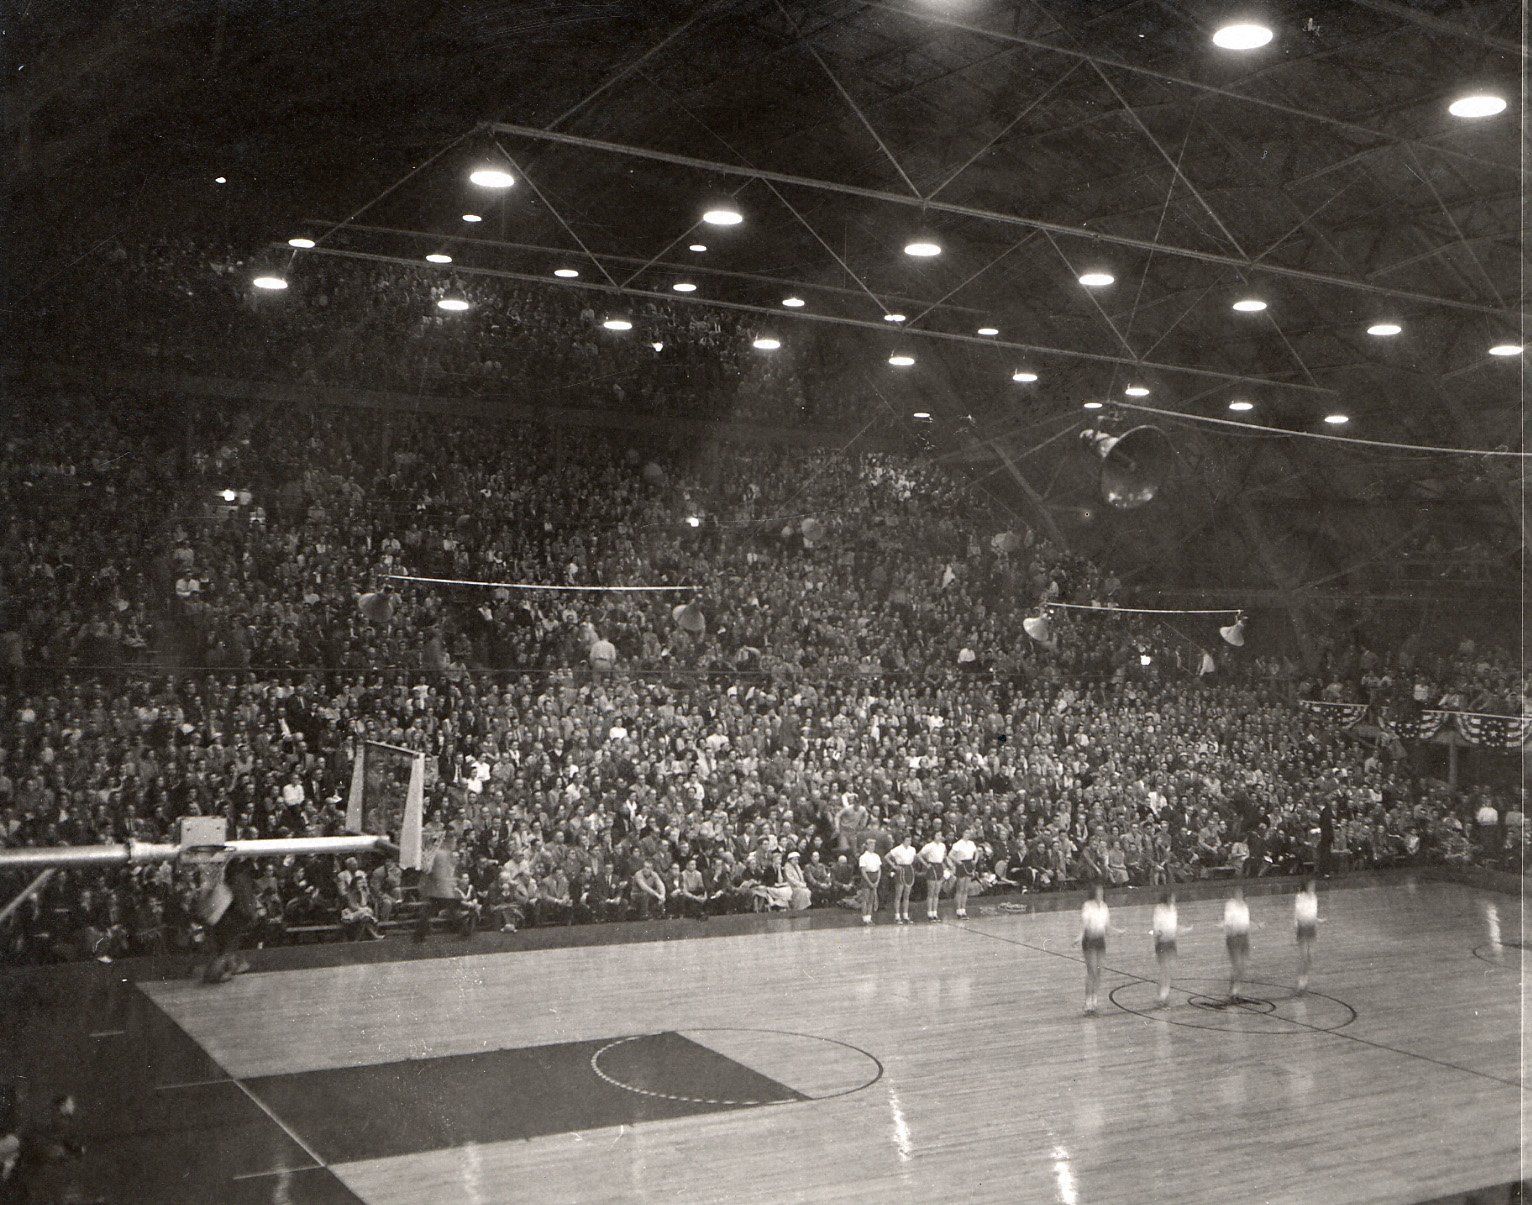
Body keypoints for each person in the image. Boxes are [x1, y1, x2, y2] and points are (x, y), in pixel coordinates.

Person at [413, 831, 474, 941]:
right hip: (441, 889)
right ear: (449, 841)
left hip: (438, 889)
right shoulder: (442, 854)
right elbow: (439, 874)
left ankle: (419, 934)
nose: (455, 844)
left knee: (433, 911)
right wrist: (448, 882)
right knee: (450, 911)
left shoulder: (442, 853)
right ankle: (465, 931)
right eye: (454, 841)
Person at [1151, 891, 1183, 1008]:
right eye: (1172, 897)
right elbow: (1157, 928)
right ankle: (1161, 996)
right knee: (1164, 969)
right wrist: (1157, 943)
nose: (1174, 900)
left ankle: (1164, 995)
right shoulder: (1159, 909)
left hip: (1171, 942)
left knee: (1168, 970)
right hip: (1162, 943)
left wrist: (1183, 929)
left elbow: (1174, 926)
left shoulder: (1173, 909)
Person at [1081, 884, 1110, 1015]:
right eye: (1098, 891)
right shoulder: (1088, 905)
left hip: (1100, 940)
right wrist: (1079, 936)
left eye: (1102, 891)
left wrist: (1118, 930)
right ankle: (1088, 1002)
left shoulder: (1104, 906)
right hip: (1089, 940)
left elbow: (1107, 925)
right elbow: (1085, 925)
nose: (1101, 894)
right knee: (1091, 970)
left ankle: (1095, 1000)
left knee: (1098, 971)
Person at [1222, 884, 1252, 1001]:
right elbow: (1228, 922)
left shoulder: (1244, 905)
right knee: (1237, 965)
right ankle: (1233, 990)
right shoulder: (1230, 905)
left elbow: (1246, 922)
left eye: (1241, 893)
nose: (1239, 895)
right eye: (1237, 893)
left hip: (1244, 937)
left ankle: (1237, 989)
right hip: (1234, 938)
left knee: (1242, 965)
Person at [885, 833, 918, 924]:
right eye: (907, 840)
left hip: (909, 869)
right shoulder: (898, 849)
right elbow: (887, 857)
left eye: (910, 840)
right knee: (899, 894)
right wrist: (894, 866)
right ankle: (897, 916)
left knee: (907, 894)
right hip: (900, 869)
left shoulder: (912, 849)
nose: (909, 842)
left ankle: (905, 915)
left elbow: (914, 859)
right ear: (903, 840)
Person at [1294, 878, 1319, 993]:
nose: (1312, 888)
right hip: (1303, 928)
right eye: (1311, 886)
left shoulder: (1314, 897)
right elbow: (1299, 914)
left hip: (1311, 927)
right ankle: (1300, 981)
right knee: (1304, 956)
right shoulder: (1300, 897)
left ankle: (1305, 980)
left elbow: (1312, 913)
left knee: (1310, 957)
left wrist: (1318, 920)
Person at [918, 829, 948, 922]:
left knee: (937, 892)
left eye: (940, 835)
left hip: (939, 867)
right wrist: (926, 864)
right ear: (934, 836)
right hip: (932, 867)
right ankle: (929, 913)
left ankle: (935, 913)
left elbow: (944, 856)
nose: (939, 837)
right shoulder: (929, 846)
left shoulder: (943, 846)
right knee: (931, 892)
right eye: (937, 835)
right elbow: (919, 855)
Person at [948, 828, 978, 919]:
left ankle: (963, 910)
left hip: (969, 864)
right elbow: (950, 855)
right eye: (966, 833)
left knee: (966, 889)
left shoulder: (971, 843)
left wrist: (975, 861)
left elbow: (976, 853)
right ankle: (958, 910)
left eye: (969, 833)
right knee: (960, 888)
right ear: (962, 834)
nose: (967, 835)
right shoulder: (958, 844)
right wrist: (957, 861)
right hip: (961, 864)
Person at [857, 837, 882, 926]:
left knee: (872, 899)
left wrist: (877, 881)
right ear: (867, 846)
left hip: (875, 876)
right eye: (871, 845)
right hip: (867, 877)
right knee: (866, 899)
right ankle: (864, 918)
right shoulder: (863, 857)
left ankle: (869, 918)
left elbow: (879, 869)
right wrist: (869, 882)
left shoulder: (876, 856)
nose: (872, 847)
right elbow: (863, 871)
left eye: (874, 845)